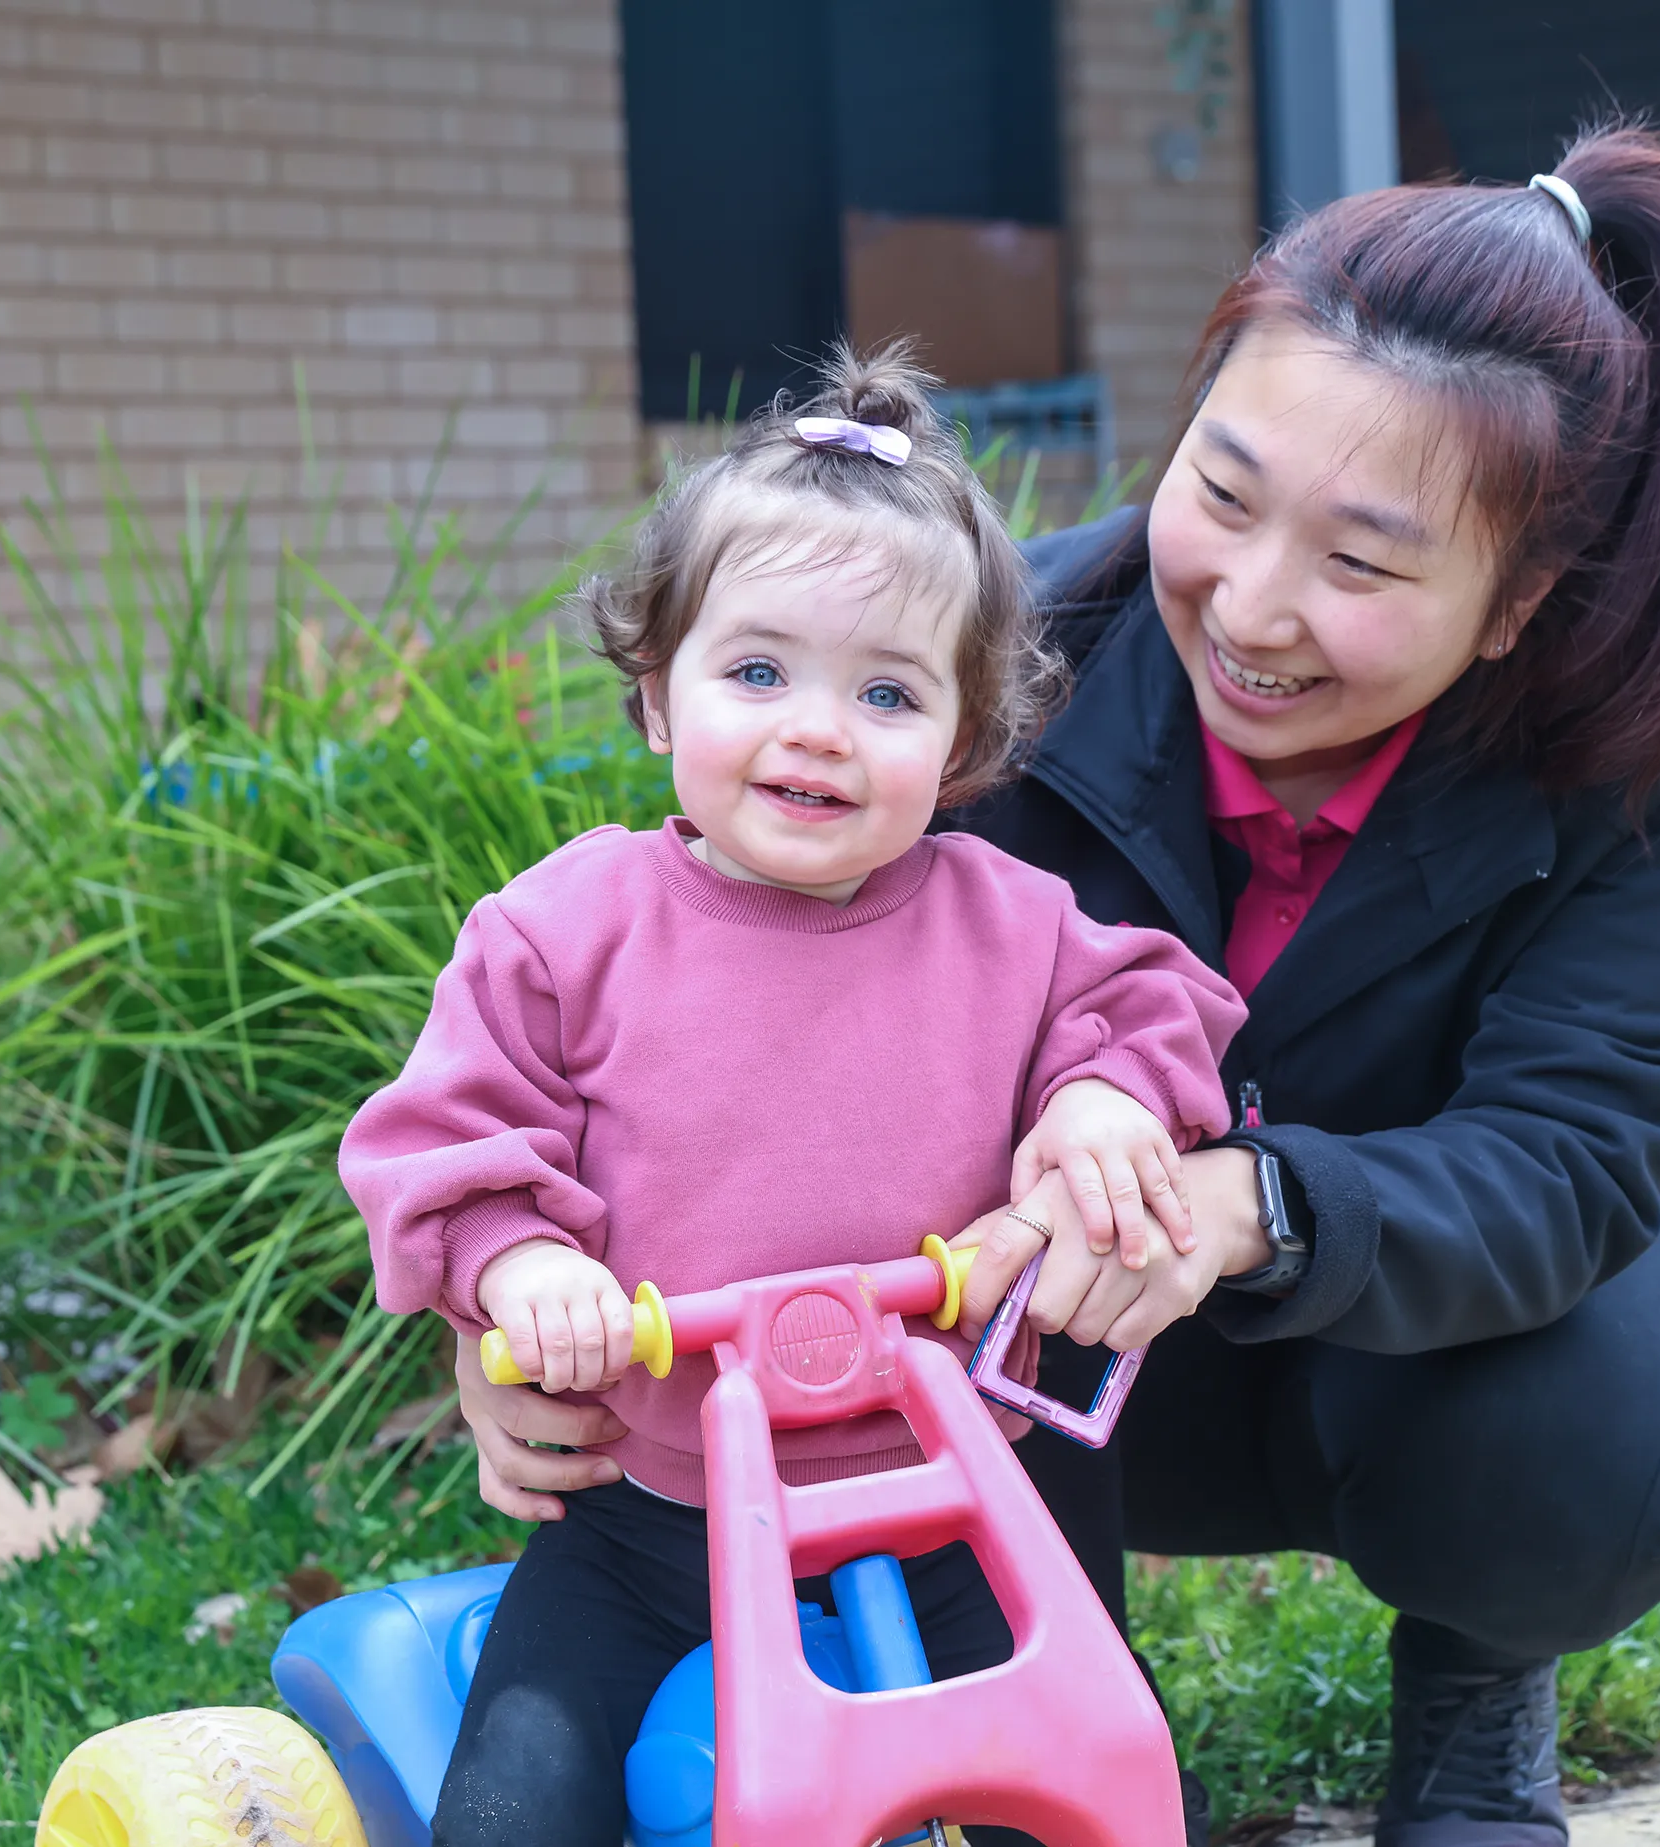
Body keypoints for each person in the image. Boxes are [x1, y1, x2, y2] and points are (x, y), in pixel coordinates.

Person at [452, 121, 1660, 1846]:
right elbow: (686, 997)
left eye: (1363, 561)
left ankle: (1481, 1697)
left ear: (1515, 603)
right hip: (1028, 1357)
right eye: (1224, 491)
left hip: (1425, 1341)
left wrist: (1241, 1201)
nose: (1250, 607)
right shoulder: (974, 676)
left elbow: (1571, 1155)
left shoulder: (1635, 761)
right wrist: (510, 1309)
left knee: (1599, 1415)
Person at [339, 346, 1246, 1847]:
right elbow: (447, 1136)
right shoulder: (563, 930)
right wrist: (527, 1265)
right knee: (520, 1788)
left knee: (1102, 1769)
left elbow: (1149, 1003)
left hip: (953, 1496)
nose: (817, 727)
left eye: (886, 692)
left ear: (958, 746)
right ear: (655, 700)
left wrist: (1100, 1104)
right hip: (657, 1510)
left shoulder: (1007, 922)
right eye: (757, 671)